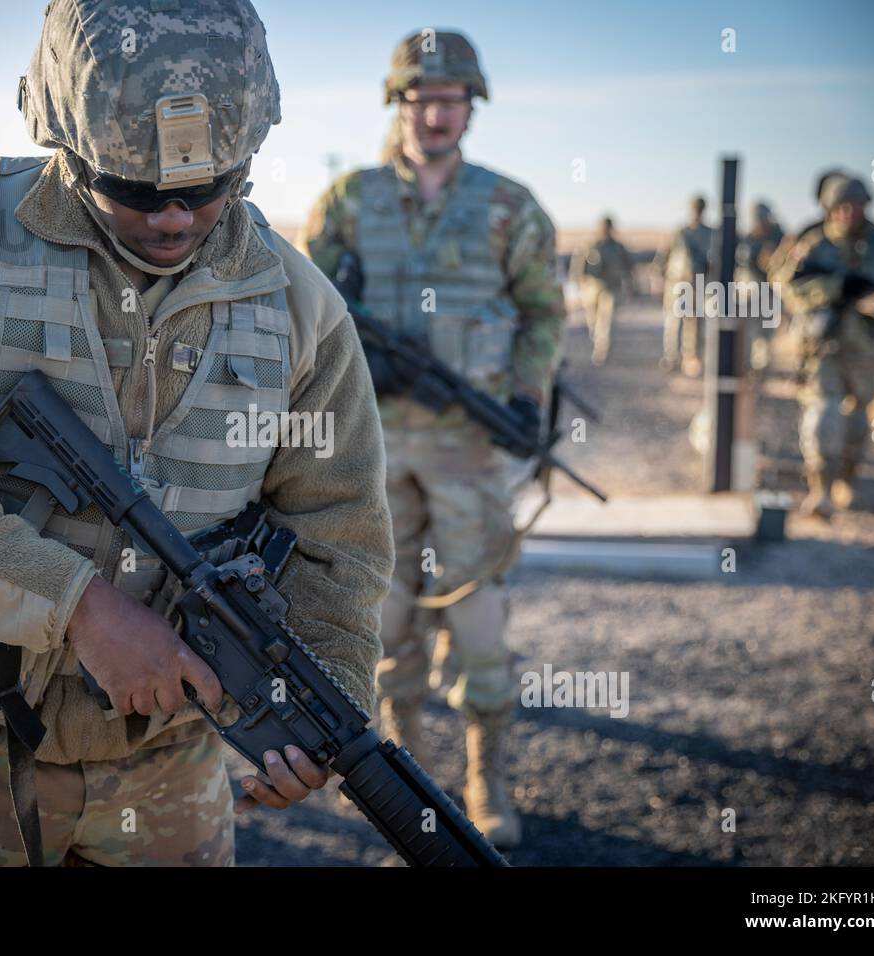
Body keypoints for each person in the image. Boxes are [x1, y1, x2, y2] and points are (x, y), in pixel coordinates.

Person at [0, 0, 392, 866]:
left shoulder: (301, 310)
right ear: (66, 147)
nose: (175, 220)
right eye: (136, 191)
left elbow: (339, 534)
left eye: (206, 189)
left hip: (166, 764)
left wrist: (318, 706)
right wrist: (77, 607)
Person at [299, 28, 566, 848]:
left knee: (479, 614)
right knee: (384, 615)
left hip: (466, 448)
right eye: (424, 99)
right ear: (400, 105)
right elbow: (303, 303)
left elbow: (544, 314)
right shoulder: (349, 200)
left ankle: (490, 775)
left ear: (470, 109)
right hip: (371, 444)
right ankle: (402, 771)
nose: (438, 114)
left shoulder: (509, 205)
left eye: (453, 100)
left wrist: (525, 393)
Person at [772, 174, 874, 518]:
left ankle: (847, 479)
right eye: (840, 206)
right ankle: (821, 488)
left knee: (857, 422)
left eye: (855, 206)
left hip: (866, 348)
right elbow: (785, 285)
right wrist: (835, 289)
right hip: (821, 346)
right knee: (823, 415)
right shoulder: (810, 241)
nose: (847, 213)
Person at [653, 195, 714, 376]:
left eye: (699, 209)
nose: (697, 212)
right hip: (677, 284)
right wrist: (657, 280)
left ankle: (692, 358)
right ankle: (671, 357)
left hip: (699, 284)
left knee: (695, 323)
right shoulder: (679, 233)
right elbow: (662, 257)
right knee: (674, 322)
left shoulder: (710, 234)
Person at [570, 215, 633, 365]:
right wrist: (578, 283)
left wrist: (630, 285)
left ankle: (601, 350)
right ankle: (597, 341)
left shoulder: (618, 247)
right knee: (592, 320)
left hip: (610, 288)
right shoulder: (590, 245)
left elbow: (628, 266)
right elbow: (578, 265)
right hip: (591, 288)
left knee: (605, 322)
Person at [735, 201, 785, 372]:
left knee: (766, 331)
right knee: (749, 330)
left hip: (770, 292)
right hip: (750, 292)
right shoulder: (748, 239)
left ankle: (761, 366)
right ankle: (747, 364)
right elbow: (743, 263)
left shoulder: (778, 237)